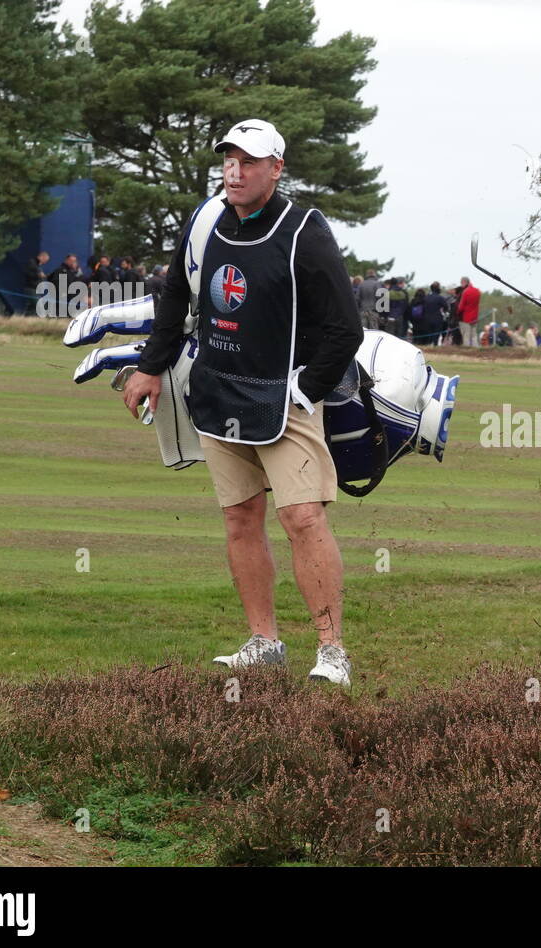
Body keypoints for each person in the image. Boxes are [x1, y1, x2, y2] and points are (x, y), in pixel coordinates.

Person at [122, 118, 362, 686]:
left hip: (286, 401)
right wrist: (152, 366)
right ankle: (264, 642)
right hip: (219, 390)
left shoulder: (305, 230)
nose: (235, 170)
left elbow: (343, 328)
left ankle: (332, 650)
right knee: (239, 519)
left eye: (249, 161)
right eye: (229, 159)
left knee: (302, 517)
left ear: (276, 169)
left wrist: (305, 389)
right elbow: (176, 295)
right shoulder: (206, 222)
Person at [422, 281, 450, 347]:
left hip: (426, 318)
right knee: (436, 334)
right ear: (438, 288)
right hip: (437, 318)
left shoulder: (426, 297)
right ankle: (435, 345)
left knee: (429, 333)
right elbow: (446, 307)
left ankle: (429, 345)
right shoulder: (440, 298)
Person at [457, 276, 480, 345]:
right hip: (475, 316)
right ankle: (475, 348)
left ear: (464, 282)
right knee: (474, 335)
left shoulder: (466, 292)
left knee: (466, 334)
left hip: (466, 317)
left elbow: (461, 306)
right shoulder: (477, 291)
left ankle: (467, 349)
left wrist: (457, 312)